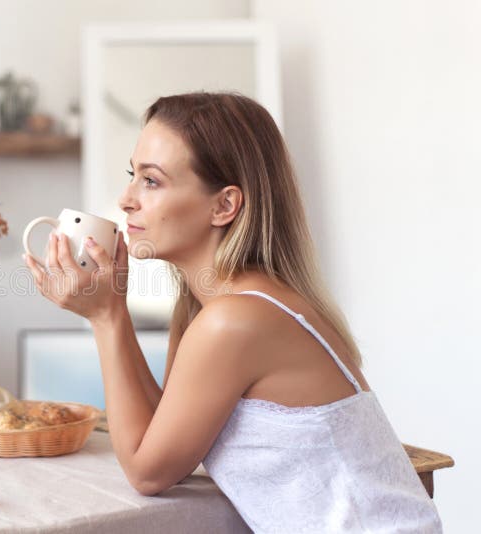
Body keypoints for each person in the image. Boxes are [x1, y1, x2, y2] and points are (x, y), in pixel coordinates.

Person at [22, 92, 442, 533]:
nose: (126, 199)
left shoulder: (234, 322)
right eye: (133, 175)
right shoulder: (216, 309)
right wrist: (113, 309)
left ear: (224, 205)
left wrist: (105, 318)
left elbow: (149, 472)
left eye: (152, 181)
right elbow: (168, 444)